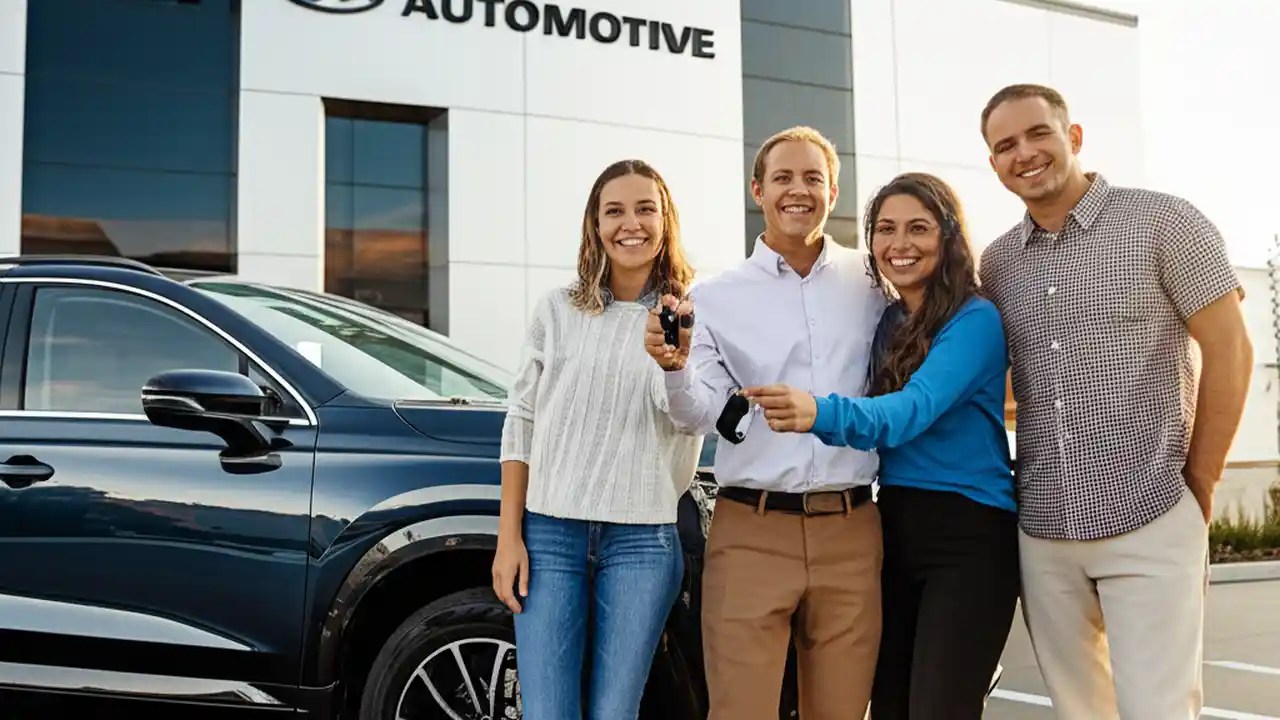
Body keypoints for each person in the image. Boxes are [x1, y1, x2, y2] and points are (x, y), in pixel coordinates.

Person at [977, 83, 1253, 719]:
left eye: (1038, 133)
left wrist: (1201, 480)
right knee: (1080, 711)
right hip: (1043, 529)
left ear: (1073, 137)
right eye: (1006, 145)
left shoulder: (1164, 221)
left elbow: (1231, 350)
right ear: (994, 164)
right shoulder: (998, 263)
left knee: (1159, 708)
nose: (1025, 153)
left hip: (1151, 510)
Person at [742, 172, 1019, 719]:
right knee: (890, 707)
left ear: (948, 236)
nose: (900, 243)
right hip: (893, 526)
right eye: (886, 229)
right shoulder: (888, 318)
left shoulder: (975, 319)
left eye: (918, 228)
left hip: (969, 535)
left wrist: (817, 412)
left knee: (939, 708)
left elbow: (910, 411)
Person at [644, 126, 886, 719]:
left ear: (833, 191)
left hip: (853, 529)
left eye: (812, 178)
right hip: (751, 531)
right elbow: (698, 416)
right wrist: (674, 370)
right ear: (758, 190)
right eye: (782, 177)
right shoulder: (716, 297)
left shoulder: (873, 282)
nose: (797, 190)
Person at [493, 158, 704, 719]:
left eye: (645, 209)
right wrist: (509, 537)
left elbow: (688, 418)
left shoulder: (690, 316)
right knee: (548, 713)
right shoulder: (556, 310)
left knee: (615, 714)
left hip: (643, 540)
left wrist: (674, 364)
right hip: (549, 535)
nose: (630, 224)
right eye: (614, 211)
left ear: (665, 221)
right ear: (595, 224)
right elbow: (521, 420)